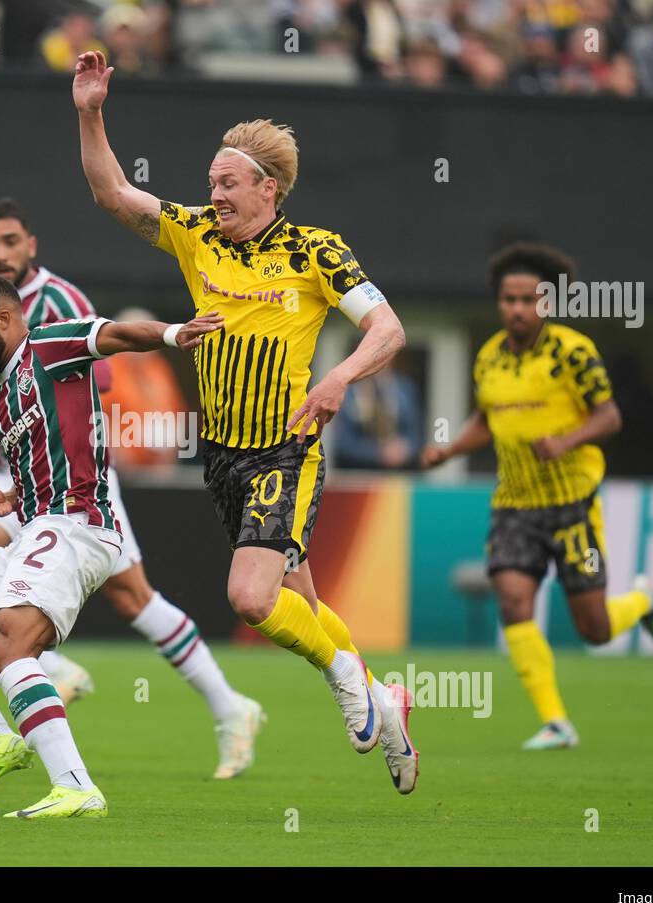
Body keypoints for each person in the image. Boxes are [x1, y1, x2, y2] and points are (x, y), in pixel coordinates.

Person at [72, 50, 419, 794]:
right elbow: (112, 193)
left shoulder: (314, 250)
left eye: (227, 184)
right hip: (223, 455)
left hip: (285, 450)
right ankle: (384, 698)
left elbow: (388, 330)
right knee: (306, 608)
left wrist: (338, 377)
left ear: (269, 188)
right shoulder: (196, 234)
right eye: (211, 185)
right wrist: (90, 111)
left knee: (252, 599)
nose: (214, 196)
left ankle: (351, 684)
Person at [0, 198, 266, 780]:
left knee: (133, 597)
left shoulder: (58, 303)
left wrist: (65, 446)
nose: (1, 253)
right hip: (13, 474)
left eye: (11, 241)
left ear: (31, 245)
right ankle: (42, 665)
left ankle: (229, 705)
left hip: (70, 478)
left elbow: (100, 369)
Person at [0, 273, 222, 819]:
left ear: (2, 316)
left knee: (8, 648)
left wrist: (172, 335)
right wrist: (11, 497)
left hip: (80, 525)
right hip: (39, 527)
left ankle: (76, 786)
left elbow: (117, 335)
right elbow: (39, 473)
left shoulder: (50, 347)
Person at [420, 242, 653, 750]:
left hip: (572, 502)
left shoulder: (572, 352)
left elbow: (609, 416)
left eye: (528, 300)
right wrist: (450, 450)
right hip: (514, 505)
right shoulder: (490, 357)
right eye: (508, 300)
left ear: (547, 303)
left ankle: (643, 600)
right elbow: (488, 420)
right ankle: (556, 721)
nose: (516, 309)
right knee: (513, 600)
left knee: (594, 628)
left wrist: (565, 441)